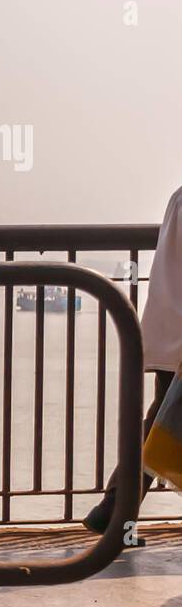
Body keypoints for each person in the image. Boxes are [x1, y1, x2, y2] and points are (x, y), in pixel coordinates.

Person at [83, 183, 182, 533]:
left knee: (162, 424)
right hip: (177, 337)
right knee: (163, 426)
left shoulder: (178, 197)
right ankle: (113, 511)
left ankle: (113, 510)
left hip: (169, 330)